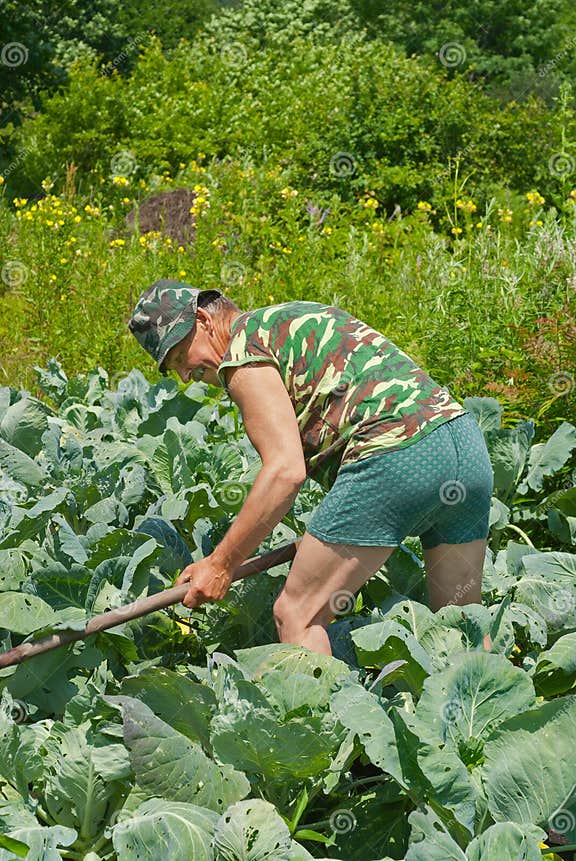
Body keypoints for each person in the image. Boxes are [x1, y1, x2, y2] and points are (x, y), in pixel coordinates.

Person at [128, 279, 495, 656]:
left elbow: (285, 471)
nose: (185, 376)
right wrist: (333, 533)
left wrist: (221, 564)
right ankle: (491, 709)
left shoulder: (243, 350)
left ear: (203, 320)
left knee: (296, 613)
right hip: (463, 445)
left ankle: (323, 716)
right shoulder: (288, 316)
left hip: (396, 456)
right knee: (460, 619)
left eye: (178, 358)